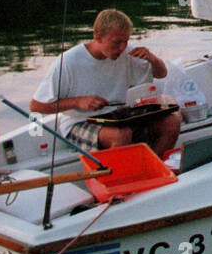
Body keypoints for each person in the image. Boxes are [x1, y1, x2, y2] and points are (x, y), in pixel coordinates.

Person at [30, 9, 180, 155]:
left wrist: (152, 59)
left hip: (119, 116)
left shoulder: (126, 51)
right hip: (80, 121)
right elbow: (37, 106)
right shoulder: (68, 62)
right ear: (98, 37)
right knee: (120, 135)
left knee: (171, 123)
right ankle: (119, 177)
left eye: (126, 41)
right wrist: (77, 102)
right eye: (116, 43)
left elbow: (161, 74)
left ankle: (152, 168)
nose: (122, 48)